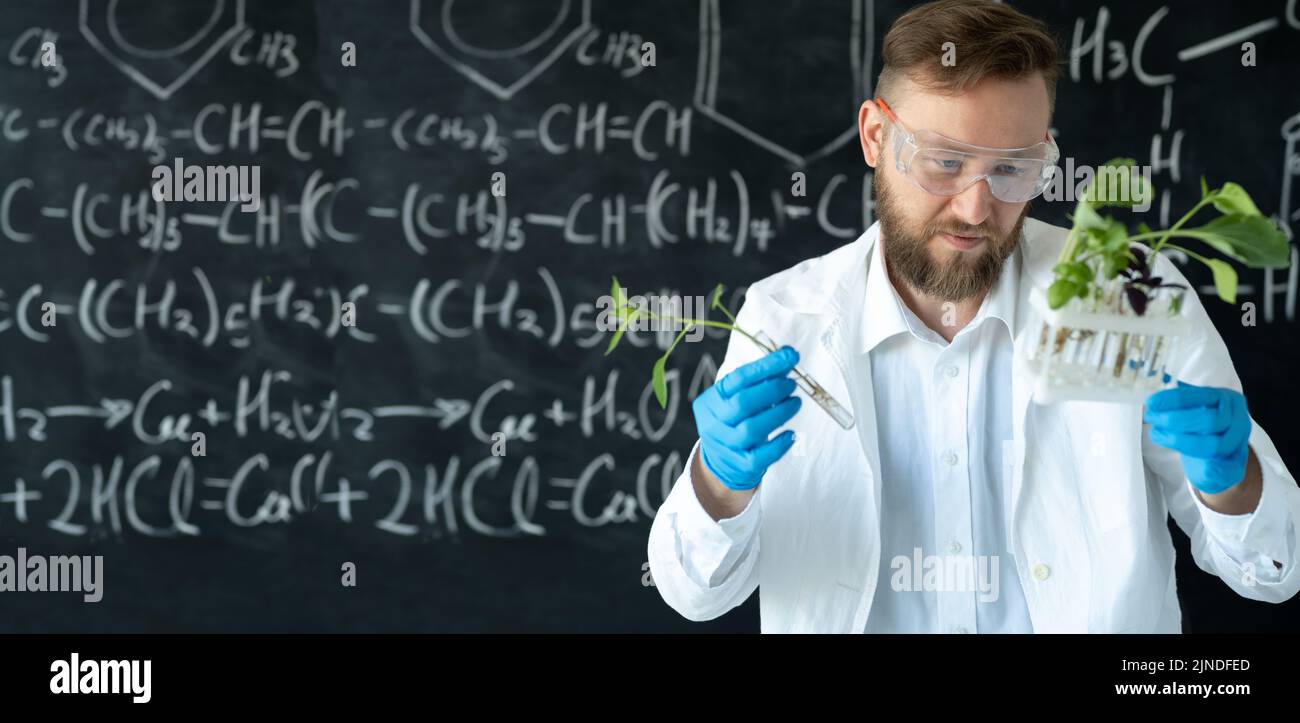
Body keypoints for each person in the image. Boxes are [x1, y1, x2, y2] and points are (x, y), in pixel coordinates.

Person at [647, 0, 1299, 633]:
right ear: (876, 136)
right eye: (945, 162)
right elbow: (693, 594)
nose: (975, 208)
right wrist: (718, 483)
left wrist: (1235, 481)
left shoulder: (1130, 295)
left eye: (1013, 169)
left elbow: (1277, 569)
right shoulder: (782, 319)